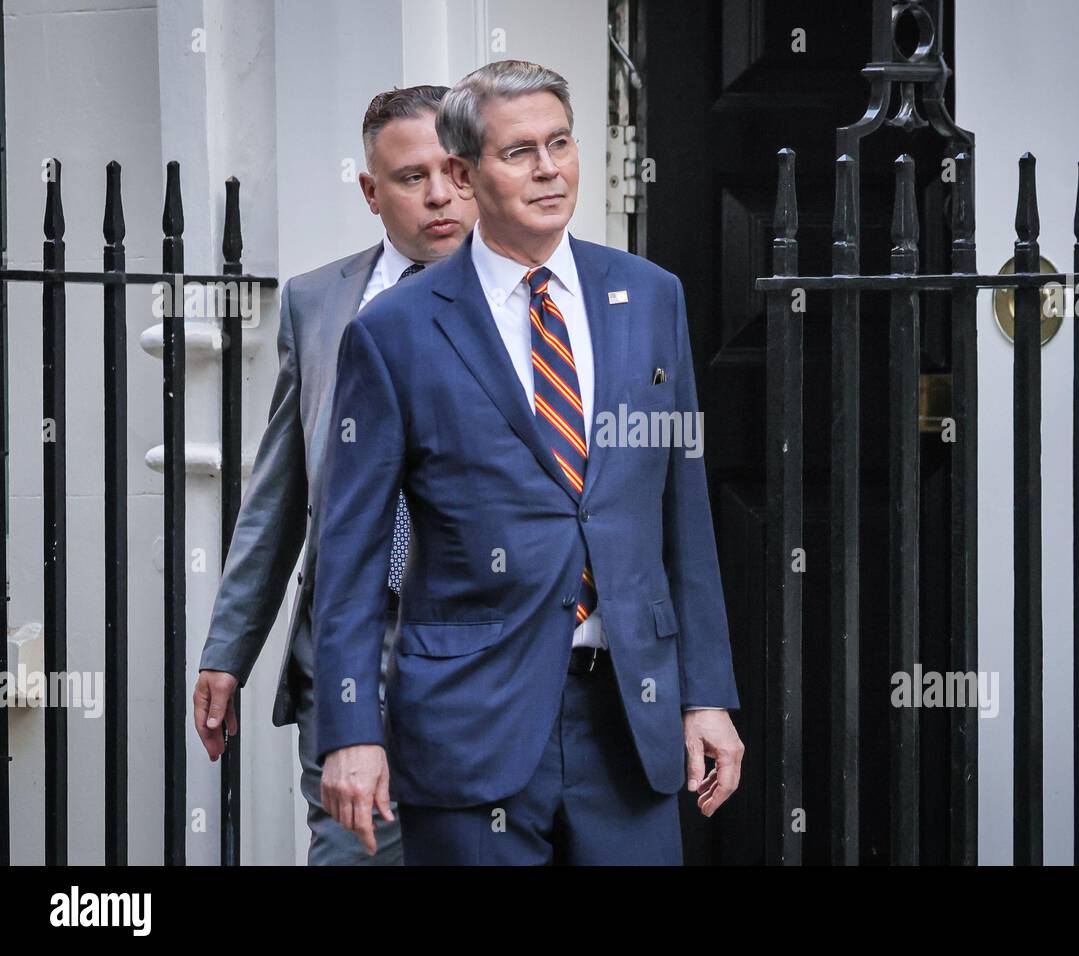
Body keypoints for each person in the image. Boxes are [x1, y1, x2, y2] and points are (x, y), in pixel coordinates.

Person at [313, 59, 744, 865]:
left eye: (561, 143)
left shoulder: (651, 296)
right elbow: (350, 553)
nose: (549, 169)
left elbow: (682, 514)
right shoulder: (396, 331)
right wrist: (350, 731)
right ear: (469, 175)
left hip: (630, 723)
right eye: (520, 153)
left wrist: (707, 693)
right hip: (470, 729)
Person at [192, 84, 478, 865]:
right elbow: (278, 493)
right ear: (370, 191)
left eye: (457, 170)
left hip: (480, 646)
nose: (442, 196)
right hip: (347, 646)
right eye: (413, 177)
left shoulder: (523, 302)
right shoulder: (318, 303)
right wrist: (228, 648)